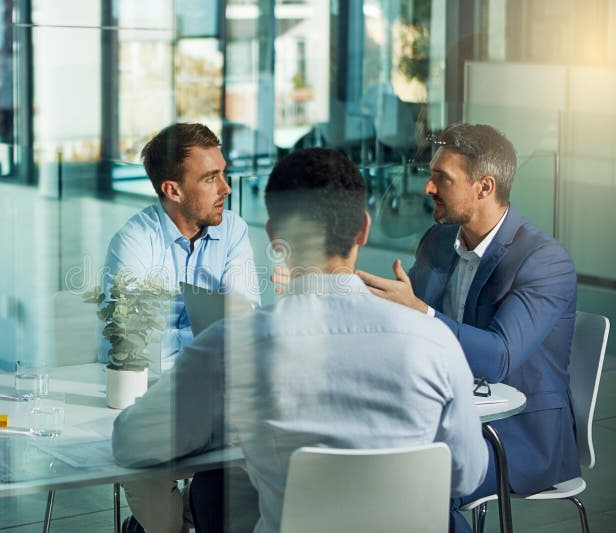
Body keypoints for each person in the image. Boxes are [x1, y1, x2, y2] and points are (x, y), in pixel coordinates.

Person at [112, 147, 488, 533]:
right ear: (363, 228)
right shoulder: (434, 342)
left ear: (275, 238)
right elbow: (467, 477)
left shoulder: (234, 346)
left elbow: (131, 443)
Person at [357, 123, 579, 532]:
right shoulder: (439, 241)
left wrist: (420, 312)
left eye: (442, 178)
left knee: (413, 483)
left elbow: (499, 357)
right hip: (447, 412)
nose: (428, 187)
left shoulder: (545, 261)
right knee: (363, 463)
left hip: (518, 435)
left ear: (484, 187)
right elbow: (403, 318)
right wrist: (346, 292)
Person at [100, 123, 260, 533]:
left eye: (224, 173)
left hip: (218, 391)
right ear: (172, 190)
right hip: (154, 393)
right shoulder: (134, 241)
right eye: (210, 178)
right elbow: (133, 334)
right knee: (161, 513)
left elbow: (245, 321)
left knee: (243, 481)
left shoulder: (234, 231)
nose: (226, 188)